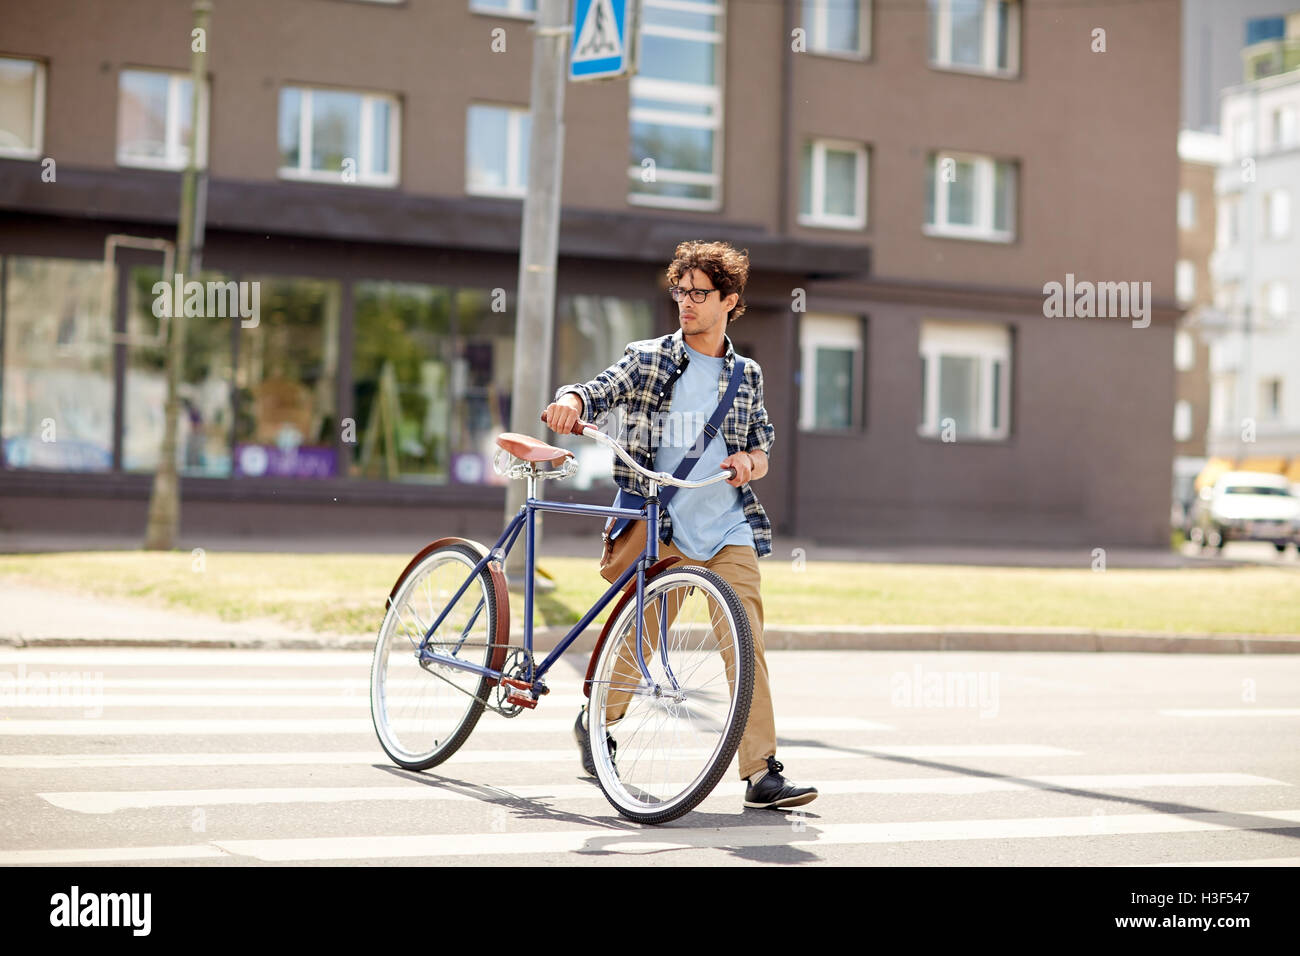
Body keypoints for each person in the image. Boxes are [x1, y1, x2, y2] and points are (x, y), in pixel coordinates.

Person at [542, 239, 817, 811]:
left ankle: (761, 772)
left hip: (726, 528)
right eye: (680, 290)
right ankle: (598, 723)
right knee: (642, 641)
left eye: (699, 293)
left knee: (745, 644)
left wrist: (749, 464)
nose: (685, 303)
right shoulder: (649, 357)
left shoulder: (746, 375)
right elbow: (601, 388)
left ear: (729, 301)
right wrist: (570, 399)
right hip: (661, 524)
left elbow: (761, 447)